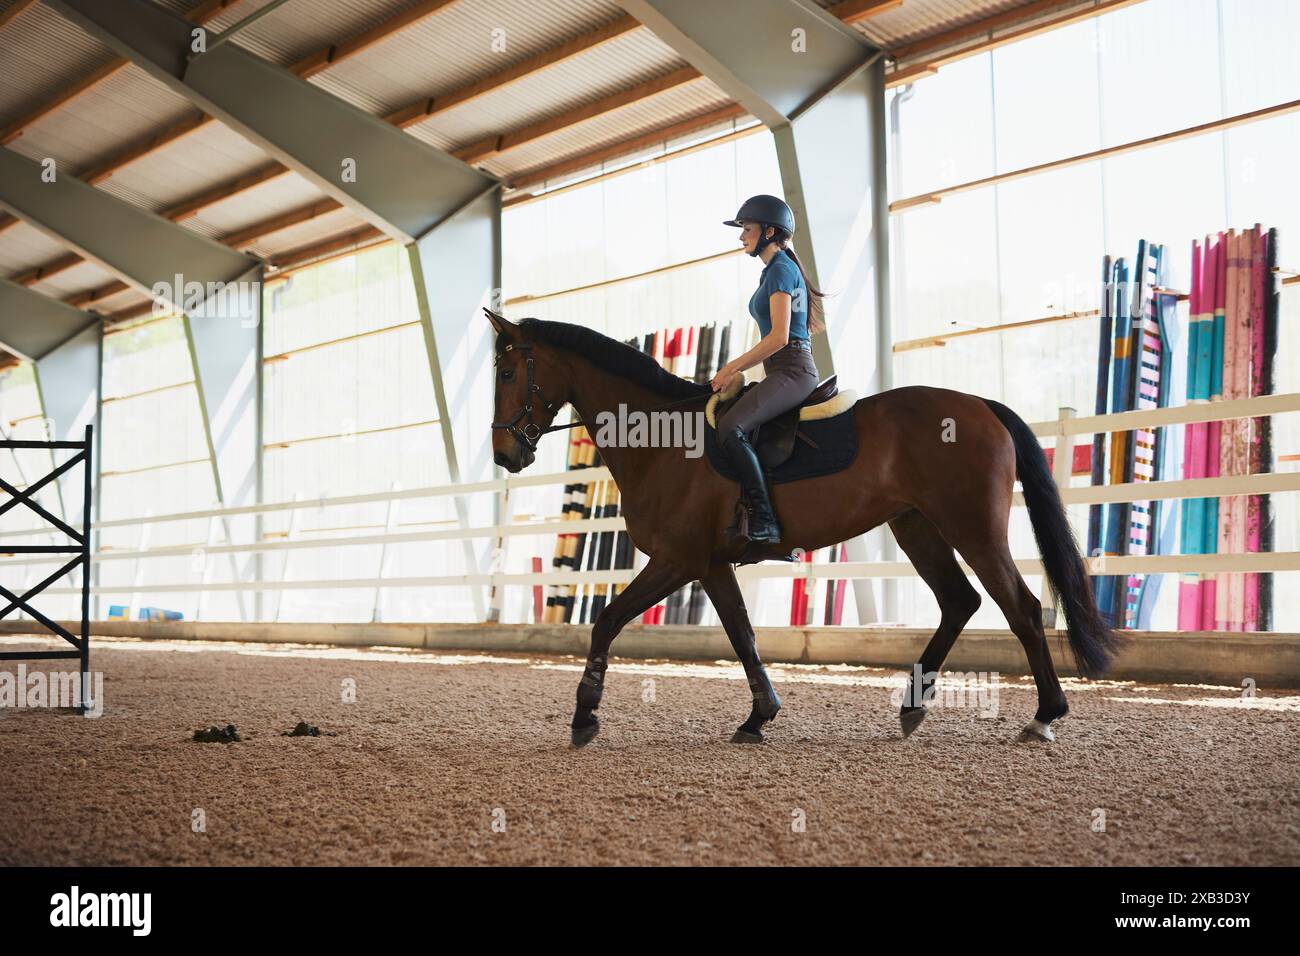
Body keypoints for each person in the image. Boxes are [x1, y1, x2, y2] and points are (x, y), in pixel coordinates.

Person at [711, 194, 827, 545]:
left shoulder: (779, 269)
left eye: (747, 228)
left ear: (770, 231)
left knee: (731, 427)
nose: (741, 236)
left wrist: (731, 368)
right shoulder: (775, 270)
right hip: (781, 370)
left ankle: (764, 520)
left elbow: (778, 337)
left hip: (792, 370)